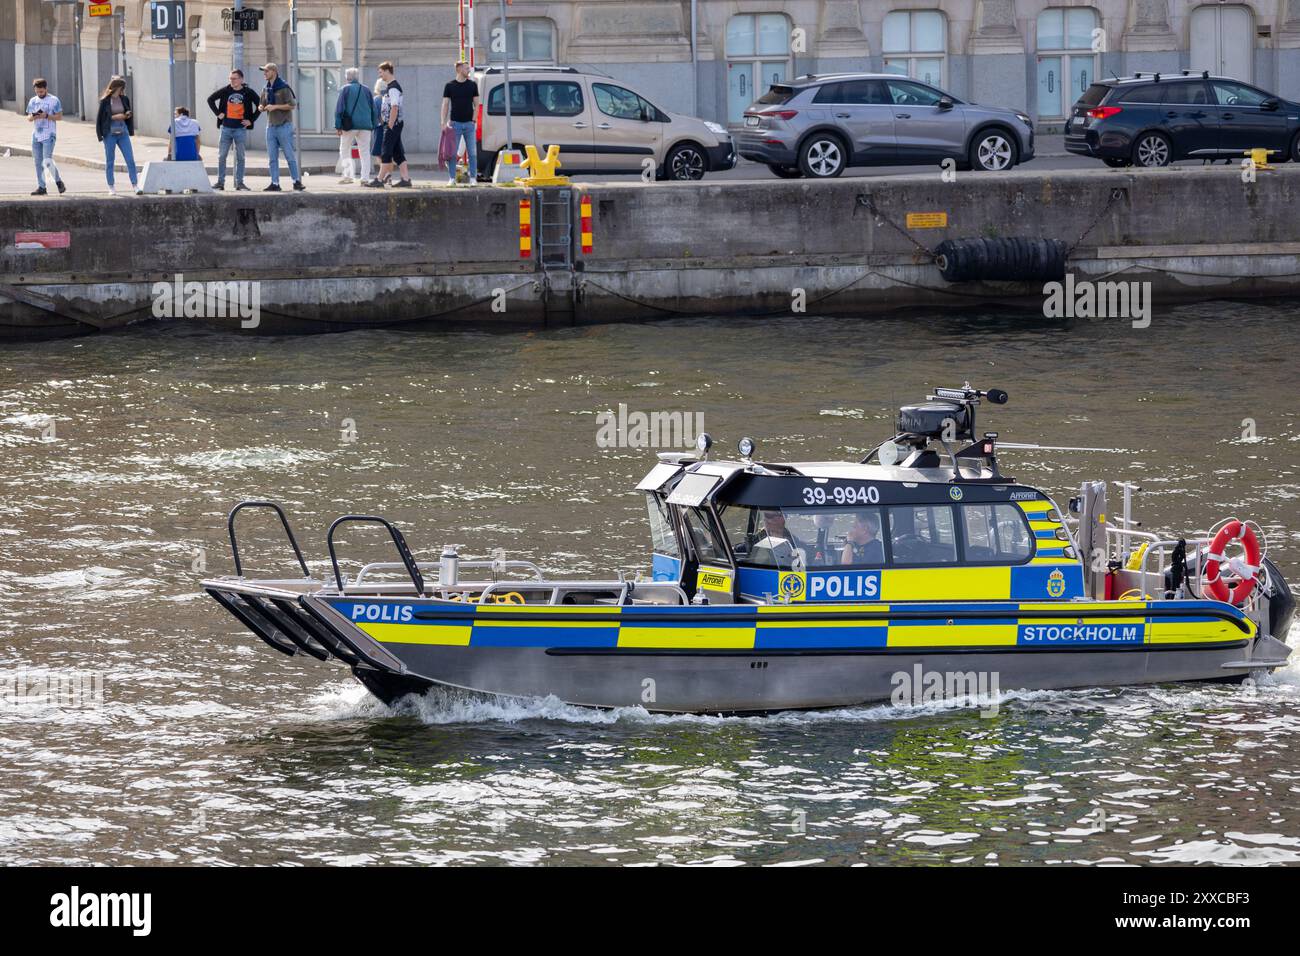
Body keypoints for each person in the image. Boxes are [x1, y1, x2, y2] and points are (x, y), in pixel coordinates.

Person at [207, 69, 259, 191]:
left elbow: (261, 105)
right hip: (226, 128)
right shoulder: (226, 90)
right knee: (222, 156)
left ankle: (240, 183)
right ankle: (220, 183)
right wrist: (218, 113)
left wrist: (251, 120)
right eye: (230, 78)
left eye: (234, 78)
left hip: (240, 129)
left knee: (240, 157)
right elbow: (210, 99)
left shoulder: (248, 92)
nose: (232, 81)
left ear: (241, 79)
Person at [258, 63, 304, 192]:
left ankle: (296, 181)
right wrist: (261, 107)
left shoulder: (284, 87)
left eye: (266, 71)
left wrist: (275, 107)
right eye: (264, 71)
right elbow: (261, 104)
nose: (264, 73)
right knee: (272, 158)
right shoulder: (265, 88)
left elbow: (292, 105)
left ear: (274, 71)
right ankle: (275, 183)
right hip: (271, 126)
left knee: (289, 155)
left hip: (284, 125)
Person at [365, 62, 411, 188]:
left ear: (387, 71)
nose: (380, 75)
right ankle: (406, 179)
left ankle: (379, 180)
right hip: (393, 124)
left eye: (381, 72)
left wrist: (390, 125)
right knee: (398, 153)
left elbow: (395, 107)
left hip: (392, 125)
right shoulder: (390, 87)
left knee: (386, 152)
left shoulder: (394, 87)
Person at [95, 76, 141, 197]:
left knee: (130, 159)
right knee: (110, 160)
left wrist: (127, 114)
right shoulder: (105, 101)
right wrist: (113, 118)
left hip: (123, 131)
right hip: (109, 133)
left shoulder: (124, 99)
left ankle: (135, 185)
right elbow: (100, 118)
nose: (122, 90)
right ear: (116, 87)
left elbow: (128, 110)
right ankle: (111, 186)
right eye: (121, 88)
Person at [440, 60, 479, 185]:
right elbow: (445, 104)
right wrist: (443, 122)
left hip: (469, 124)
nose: (468, 70)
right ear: (459, 69)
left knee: (472, 153)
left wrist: (473, 121)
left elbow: (477, 105)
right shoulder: (449, 86)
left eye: (468, 68)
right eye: (466, 68)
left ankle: (473, 178)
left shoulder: (472, 85)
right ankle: (452, 178)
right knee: (452, 153)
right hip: (455, 124)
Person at [334, 67, 375, 184]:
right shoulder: (366, 90)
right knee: (365, 152)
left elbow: (339, 109)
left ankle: (348, 176)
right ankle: (365, 178)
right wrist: (372, 124)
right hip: (366, 125)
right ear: (357, 77)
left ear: (347, 78)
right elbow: (373, 109)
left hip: (350, 125)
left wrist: (338, 126)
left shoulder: (345, 89)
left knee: (345, 149)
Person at [25, 78, 65, 196]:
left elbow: (59, 117)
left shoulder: (54, 100)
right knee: (37, 162)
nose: (39, 94)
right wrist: (34, 116)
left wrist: (46, 115)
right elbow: (28, 117)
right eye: (37, 92)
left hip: (49, 134)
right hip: (36, 135)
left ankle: (58, 181)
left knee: (47, 160)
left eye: (41, 92)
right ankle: (42, 187)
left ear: (46, 89)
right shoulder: (33, 101)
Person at [369, 77, 387, 182]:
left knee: (378, 152)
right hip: (389, 127)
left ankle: (383, 175)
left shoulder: (376, 99)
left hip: (379, 128)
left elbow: (374, 115)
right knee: (387, 153)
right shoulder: (390, 97)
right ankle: (387, 174)